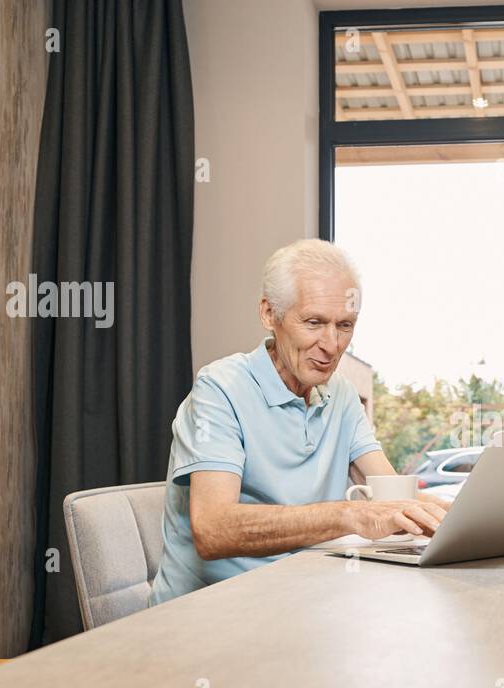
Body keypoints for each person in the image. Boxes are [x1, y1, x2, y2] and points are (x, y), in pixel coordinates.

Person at [149, 240, 446, 605]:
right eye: (314, 323)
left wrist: (467, 515)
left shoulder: (342, 395)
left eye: (345, 325)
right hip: (209, 613)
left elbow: (391, 496)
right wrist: (349, 515)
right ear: (269, 314)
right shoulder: (219, 390)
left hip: (304, 602)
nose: (332, 344)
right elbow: (213, 530)